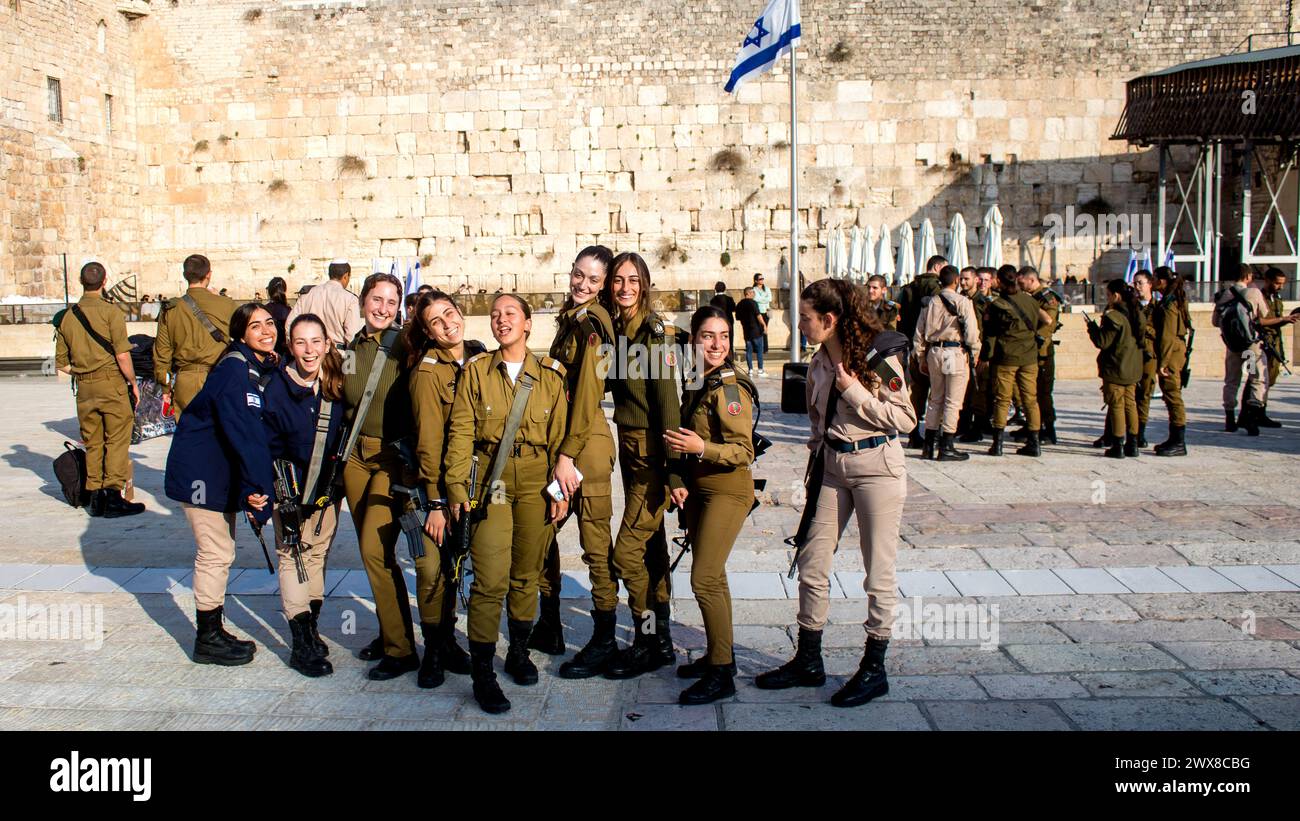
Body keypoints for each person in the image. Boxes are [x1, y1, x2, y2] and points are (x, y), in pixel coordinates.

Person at [755, 278, 915, 707]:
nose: (799, 326)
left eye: (805, 318)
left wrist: (855, 392)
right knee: (811, 560)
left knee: (878, 571)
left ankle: (874, 668)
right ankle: (808, 659)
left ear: (829, 319)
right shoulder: (819, 361)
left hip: (877, 468)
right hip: (831, 467)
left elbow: (905, 418)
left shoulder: (878, 357)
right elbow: (816, 421)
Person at [444, 294, 568, 714]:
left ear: (528, 323)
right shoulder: (476, 372)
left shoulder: (550, 375)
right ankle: (483, 672)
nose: (501, 320)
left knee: (526, 574)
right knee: (490, 578)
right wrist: (456, 488)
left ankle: (518, 650)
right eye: (495, 315)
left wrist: (560, 493)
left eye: (510, 313)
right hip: (491, 482)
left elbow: (561, 443)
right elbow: (461, 432)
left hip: (536, 480)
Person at [164, 303, 279, 665]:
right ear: (240, 334)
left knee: (220, 551)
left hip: (213, 471)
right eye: (255, 326)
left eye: (269, 323)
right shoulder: (235, 372)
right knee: (215, 553)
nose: (266, 330)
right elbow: (247, 437)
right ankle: (208, 638)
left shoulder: (247, 364)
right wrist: (260, 491)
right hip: (202, 474)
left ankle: (213, 630)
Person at [526, 248, 620, 675]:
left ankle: (604, 640)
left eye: (593, 279)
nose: (582, 284)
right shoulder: (573, 319)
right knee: (542, 532)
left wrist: (566, 456)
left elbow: (588, 396)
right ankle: (549, 624)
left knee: (595, 546)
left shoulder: (593, 324)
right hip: (566, 442)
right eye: (578, 274)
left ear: (604, 286)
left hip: (584, 447)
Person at [663, 306, 757, 704]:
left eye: (724, 336)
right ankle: (721, 657)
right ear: (694, 340)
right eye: (708, 336)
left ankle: (721, 674)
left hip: (727, 490)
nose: (717, 344)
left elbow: (744, 451)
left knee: (703, 578)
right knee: (714, 577)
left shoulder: (729, 388)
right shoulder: (698, 378)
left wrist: (702, 447)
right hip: (701, 488)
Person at [601, 252, 684, 679]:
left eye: (633, 280)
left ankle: (646, 638)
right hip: (630, 449)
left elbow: (669, 404)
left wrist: (674, 472)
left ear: (645, 285)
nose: (625, 287)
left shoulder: (654, 334)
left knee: (626, 554)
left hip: (653, 453)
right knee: (652, 547)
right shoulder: (618, 330)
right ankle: (662, 642)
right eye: (618, 279)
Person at [341, 273, 421, 680]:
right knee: (374, 554)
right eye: (377, 299)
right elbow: (341, 396)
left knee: (375, 549)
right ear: (362, 301)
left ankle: (401, 650)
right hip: (355, 458)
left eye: (392, 301)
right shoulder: (351, 348)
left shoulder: (405, 345)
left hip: (390, 458)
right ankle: (392, 631)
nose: (383, 308)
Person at [261, 314, 347, 677]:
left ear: (327, 344)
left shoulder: (336, 383)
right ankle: (300, 644)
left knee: (317, 556)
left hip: (327, 493)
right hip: (290, 492)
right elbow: (266, 446)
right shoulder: (275, 388)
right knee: (293, 558)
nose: (309, 351)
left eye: (315, 342)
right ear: (290, 346)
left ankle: (311, 630)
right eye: (300, 342)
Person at [405, 290, 482, 687]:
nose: (448, 324)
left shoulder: (480, 355)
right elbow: (428, 444)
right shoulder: (427, 373)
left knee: (457, 562)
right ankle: (433, 650)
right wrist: (435, 502)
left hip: (472, 481)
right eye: (436, 321)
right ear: (428, 332)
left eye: (450, 313)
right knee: (431, 567)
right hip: (434, 488)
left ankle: (449, 642)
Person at [55, 261, 144, 517]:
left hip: (84, 388)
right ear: (104, 281)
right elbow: (122, 355)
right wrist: (133, 382)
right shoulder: (111, 312)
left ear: (80, 282)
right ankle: (113, 497)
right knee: (116, 440)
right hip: (111, 383)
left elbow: (62, 363)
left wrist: (84, 372)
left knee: (93, 442)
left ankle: (95, 497)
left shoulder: (68, 316)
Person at [153, 254, 238, 421]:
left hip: (186, 381)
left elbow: (162, 354)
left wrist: (165, 387)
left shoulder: (171, 309)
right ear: (209, 274)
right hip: (220, 377)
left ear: (185, 275)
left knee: (189, 433)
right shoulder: (227, 305)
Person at [913, 266, 980, 461]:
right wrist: (974, 353)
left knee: (935, 399)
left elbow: (918, 333)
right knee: (952, 401)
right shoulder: (962, 302)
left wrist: (920, 357)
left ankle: (928, 445)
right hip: (954, 352)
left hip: (934, 351)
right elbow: (972, 334)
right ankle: (946, 445)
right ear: (956, 280)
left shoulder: (929, 303)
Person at [1214, 264, 1289, 435]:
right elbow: (1264, 315)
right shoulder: (1254, 293)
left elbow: (1215, 321)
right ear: (1248, 276)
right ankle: (1251, 419)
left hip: (1232, 346)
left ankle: (1229, 419)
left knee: (1231, 381)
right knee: (1257, 378)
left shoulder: (1224, 294)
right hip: (1250, 347)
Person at [984, 266, 1044, 456]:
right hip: (1029, 357)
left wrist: (985, 357)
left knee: (1002, 399)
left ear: (999, 281)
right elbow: (1040, 322)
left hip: (1006, 357)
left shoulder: (997, 305)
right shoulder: (1031, 301)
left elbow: (990, 334)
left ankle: (998, 445)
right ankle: (1034, 443)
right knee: (1030, 400)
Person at [1087, 280, 1143, 458]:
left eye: (1108, 295)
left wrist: (1092, 328)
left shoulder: (1114, 317)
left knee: (1117, 405)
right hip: (1133, 366)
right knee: (1130, 404)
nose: (1107, 298)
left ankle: (1118, 444)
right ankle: (1133, 443)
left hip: (1116, 366)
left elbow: (1103, 342)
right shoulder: (1136, 313)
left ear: (1116, 296)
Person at [897, 254, 946, 447]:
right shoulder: (937, 288)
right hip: (934, 346)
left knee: (917, 392)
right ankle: (936, 434)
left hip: (912, 344)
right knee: (938, 392)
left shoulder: (908, 288)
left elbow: (900, 318)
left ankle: (913, 433)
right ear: (938, 267)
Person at [1012, 267, 1061, 445]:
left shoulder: (1047, 298)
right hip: (1028, 352)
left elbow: (1049, 324)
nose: (1019, 285)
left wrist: (1032, 340)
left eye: (1022, 282)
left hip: (1041, 353)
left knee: (1043, 392)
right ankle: (1033, 424)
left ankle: (1048, 428)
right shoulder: (1028, 296)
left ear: (1031, 280)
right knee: (1028, 392)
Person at [1151, 272, 1192, 456]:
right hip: (1176, 349)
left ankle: (1179, 441)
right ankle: (1174, 438)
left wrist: (1163, 362)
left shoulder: (1169, 303)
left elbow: (1167, 335)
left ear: (1161, 281)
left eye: (1154, 279)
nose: (1152, 282)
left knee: (1173, 396)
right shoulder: (1174, 299)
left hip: (1172, 353)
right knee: (1170, 395)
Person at [287, 261, 365, 349]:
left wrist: (294, 347)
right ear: (346, 276)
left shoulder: (308, 294)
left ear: (329, 274)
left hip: (309, 351)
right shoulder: (350, 299)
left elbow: (290, 324)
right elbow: (352, 335)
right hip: (337, 353)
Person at [1255, 267, 1297, 427]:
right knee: (1258, 380)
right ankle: (1252, 413)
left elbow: (1277, 321)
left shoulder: (1276, 298)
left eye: (1282, 283)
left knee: (1269, 380)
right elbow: (1259, 321)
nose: (1281, 287)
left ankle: (1260, 412)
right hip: (1261, 343)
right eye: (1277, 283)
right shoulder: (1259, 298)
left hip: (1274, 343)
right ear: (1267, 281)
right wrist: (1282, 319)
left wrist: (1288, 319)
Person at [957, 267, 993, 442]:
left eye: (967, 279)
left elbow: (989, 331)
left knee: (979, 392)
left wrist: (985, 356)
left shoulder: (983, 302)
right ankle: (963, 425)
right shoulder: (959, 300)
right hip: (962, 351)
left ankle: (977, 427)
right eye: (961, 279)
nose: (963, 282)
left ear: (975, 280)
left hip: (979, 352)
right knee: (964, 391)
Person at [735, 286, 767, 376]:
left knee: (749, 351)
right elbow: (758, 315)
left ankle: (750, 370)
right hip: (756, 330)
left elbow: (737, 317)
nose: (754, 294)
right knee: (759, 350)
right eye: (753, 292)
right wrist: (764, 325)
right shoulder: (753, 303)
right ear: (748, 293)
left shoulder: (740, 304)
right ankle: (760, 370)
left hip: (746, 331)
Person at [265, 276, 291, 358]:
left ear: (269, 291)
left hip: (268, 349)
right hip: (285, 352)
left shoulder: (264, 310)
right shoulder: (289, 310)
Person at [709, 280, 737, 351]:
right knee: (730, 337)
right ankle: (730, 352)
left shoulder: (713, 300)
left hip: (718, 321)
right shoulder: (729, 299)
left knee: (719, 337)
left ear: (715, 289)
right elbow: (734, 308)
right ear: (724, 289)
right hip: (729, 320)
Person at [752, 272, 772, 360]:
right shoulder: (754, 289)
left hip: (766, 312)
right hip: (758, 312)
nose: (762, 280)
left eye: (762, 278)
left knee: (764, 329)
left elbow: (770, 299)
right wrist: (764, 299)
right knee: (758, 330)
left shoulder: (767, 288)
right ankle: (757, 348)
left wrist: (762, 299)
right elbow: (756, 299)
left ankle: (765, 348)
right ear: (756, 281)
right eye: (760, 279)